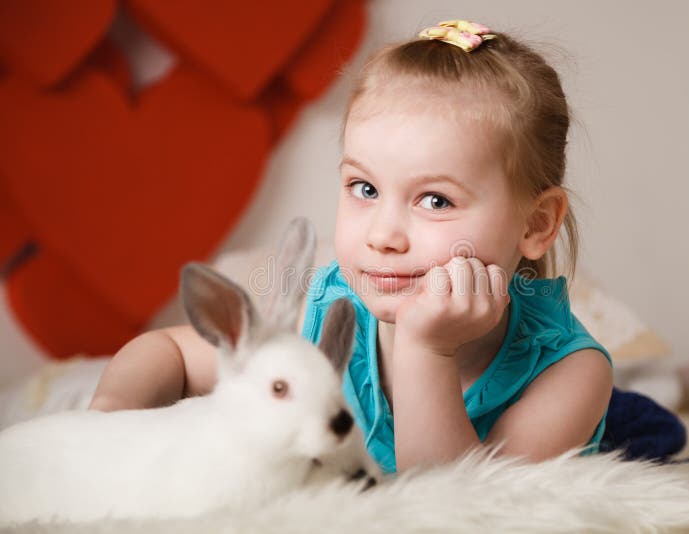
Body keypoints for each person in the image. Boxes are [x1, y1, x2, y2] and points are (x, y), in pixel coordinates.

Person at [90, 20, 613, 474]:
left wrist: (425, 350)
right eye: (364, 189)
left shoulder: (571, 375)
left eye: (434, 200)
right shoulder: (329, 317)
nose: (383, 236)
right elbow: (168, 352)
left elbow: (456, 512)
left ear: (537, 223)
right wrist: (108, 419)